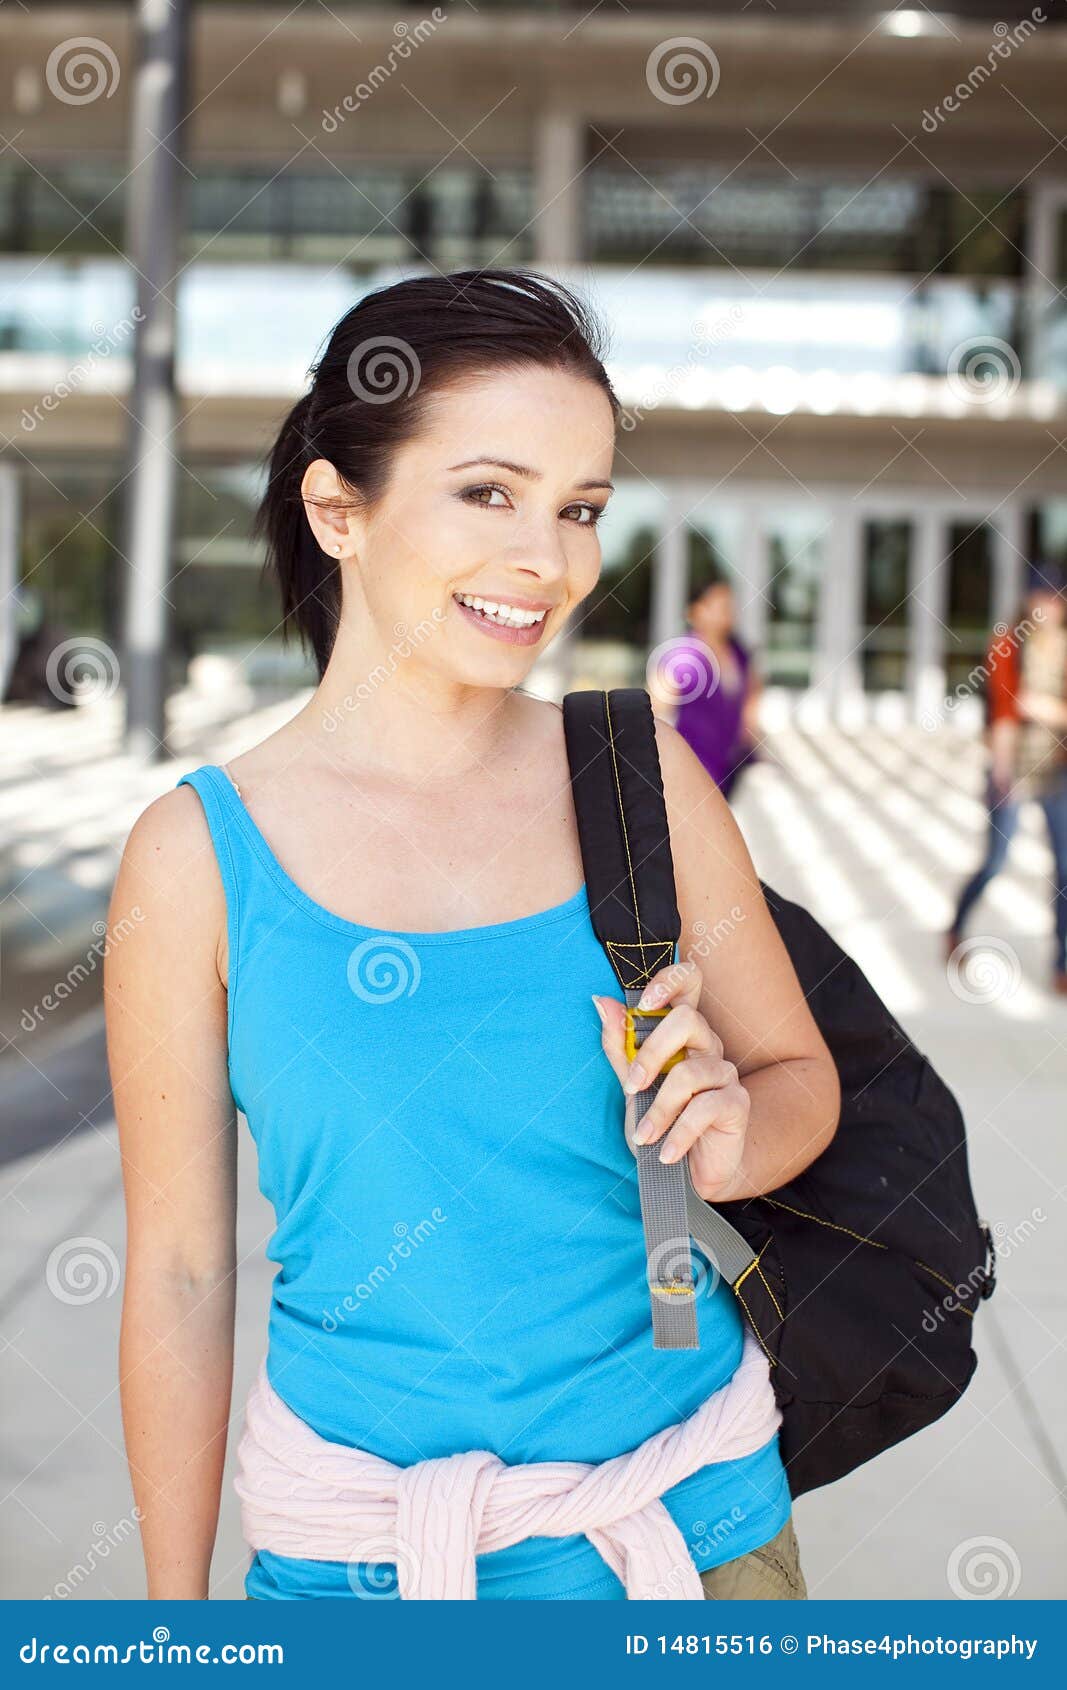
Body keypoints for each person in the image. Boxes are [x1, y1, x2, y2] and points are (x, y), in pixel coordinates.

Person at [105, 269, 839, 1602]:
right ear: (339, 507)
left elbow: (797, 1079)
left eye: (580, 509)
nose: (547, 560)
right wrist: (173, 1618)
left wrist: (733, 1137)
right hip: (354, 1571)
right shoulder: (195, 860)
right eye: (487, 493)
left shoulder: (635, 779)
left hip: (687, 1538)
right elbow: (177, 1270)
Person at [947, 565, 1067, 995]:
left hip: (1057, 770)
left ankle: (1062, 964)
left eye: (1053, 599)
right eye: (1039, 598)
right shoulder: (1008, 646)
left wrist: (1046, 708)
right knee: (996, 861)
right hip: (1013, 767)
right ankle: (956, 927)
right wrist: (1002, 773)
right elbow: (1002, 713)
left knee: (1065, 869)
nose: (1046, 607)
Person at [650, 577, 761, 800]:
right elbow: (655, 706)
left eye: (729, 606)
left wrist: (748, 735)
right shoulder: (683, 656)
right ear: (696, 610)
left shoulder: (738, 651)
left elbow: (752, 692)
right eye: (719, 606)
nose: (727, 613)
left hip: (730, 761)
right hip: (694, 762)